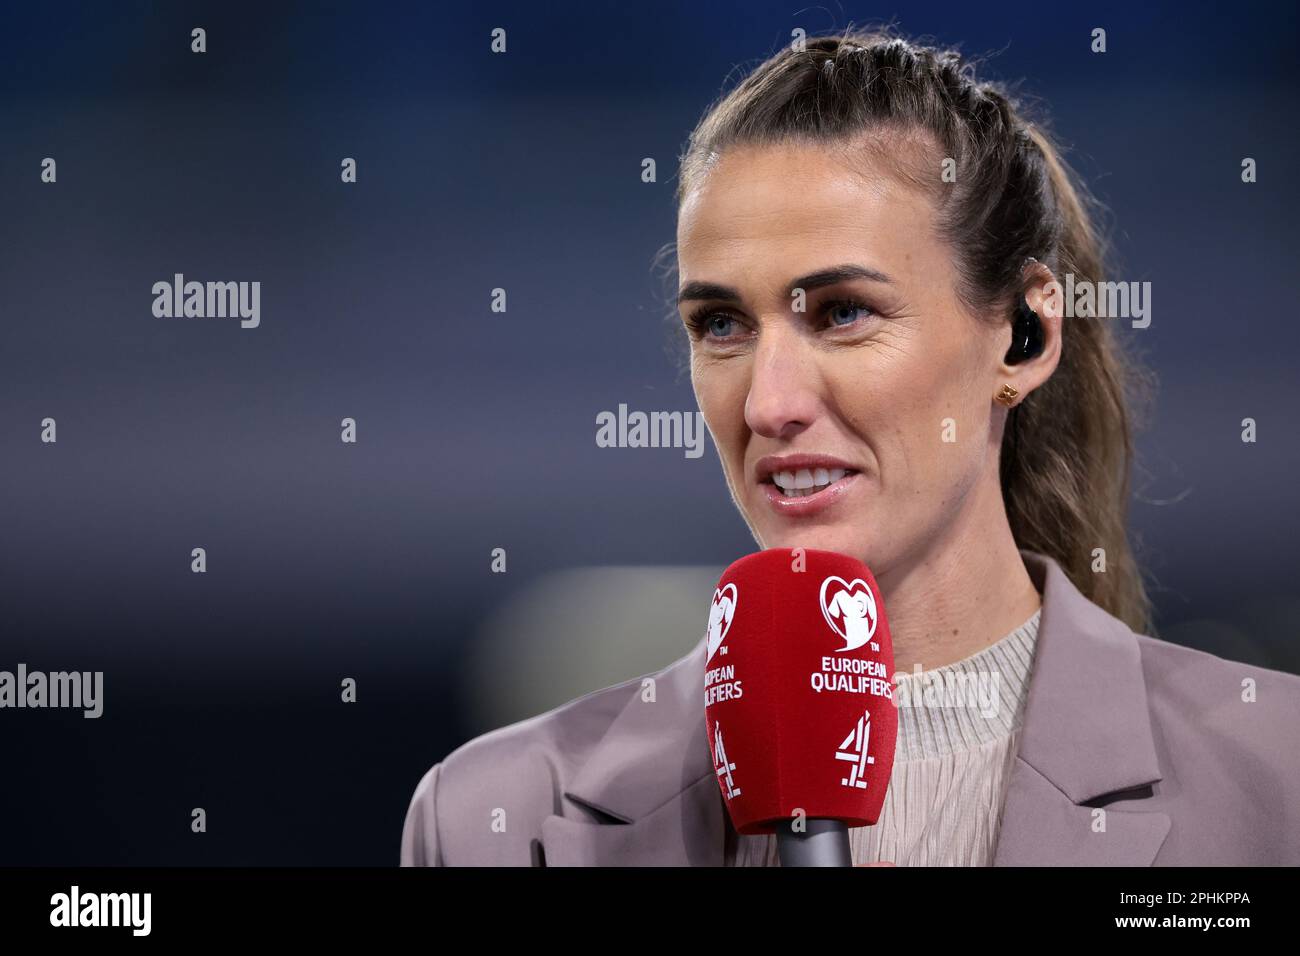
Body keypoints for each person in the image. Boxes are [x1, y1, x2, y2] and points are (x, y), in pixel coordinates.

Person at [400, 27, 1300, 866]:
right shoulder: (495, 820)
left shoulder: (1275, 782)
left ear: (1023, 333)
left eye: (843, 313)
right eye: (720, 324)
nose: (769, 402)